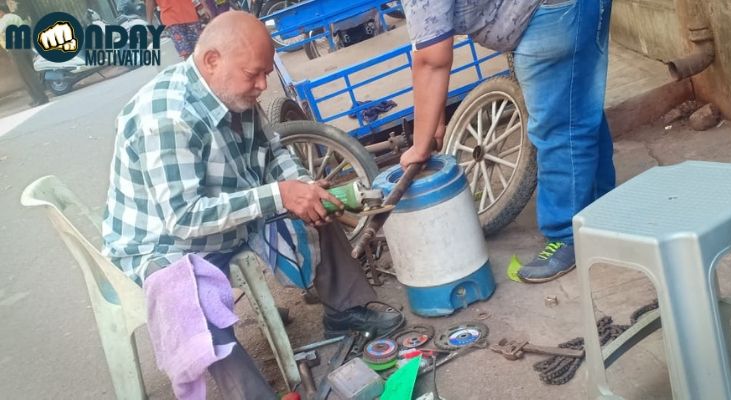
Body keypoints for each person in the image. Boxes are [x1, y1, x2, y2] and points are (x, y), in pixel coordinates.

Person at [102, 11, 401, 398]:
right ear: (212, 61)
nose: (262, 85)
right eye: (253, 74)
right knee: (186, 294)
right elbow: (183, 219)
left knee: (313, 200)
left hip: (226, 220)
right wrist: (279, 194)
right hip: (164, 242)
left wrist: (300, 185)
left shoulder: (234, 90)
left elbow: (273, 149)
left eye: (265, 74)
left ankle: (344, 311)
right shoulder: (168, 117)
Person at [399, 0, 616, 283]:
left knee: (558, 130)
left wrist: (419, 146)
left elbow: (431, 59)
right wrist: (433, 120)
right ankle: (604, 213)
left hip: (552, 13)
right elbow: (429, 48)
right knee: (577, 107)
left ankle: (569, 236)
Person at [0, 1, 48, 106]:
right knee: (31, 72)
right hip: (25, 44)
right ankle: (40, 96)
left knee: (26, 75)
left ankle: (39, 98)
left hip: (15, 48)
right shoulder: (15, 17)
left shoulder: (4, 20)